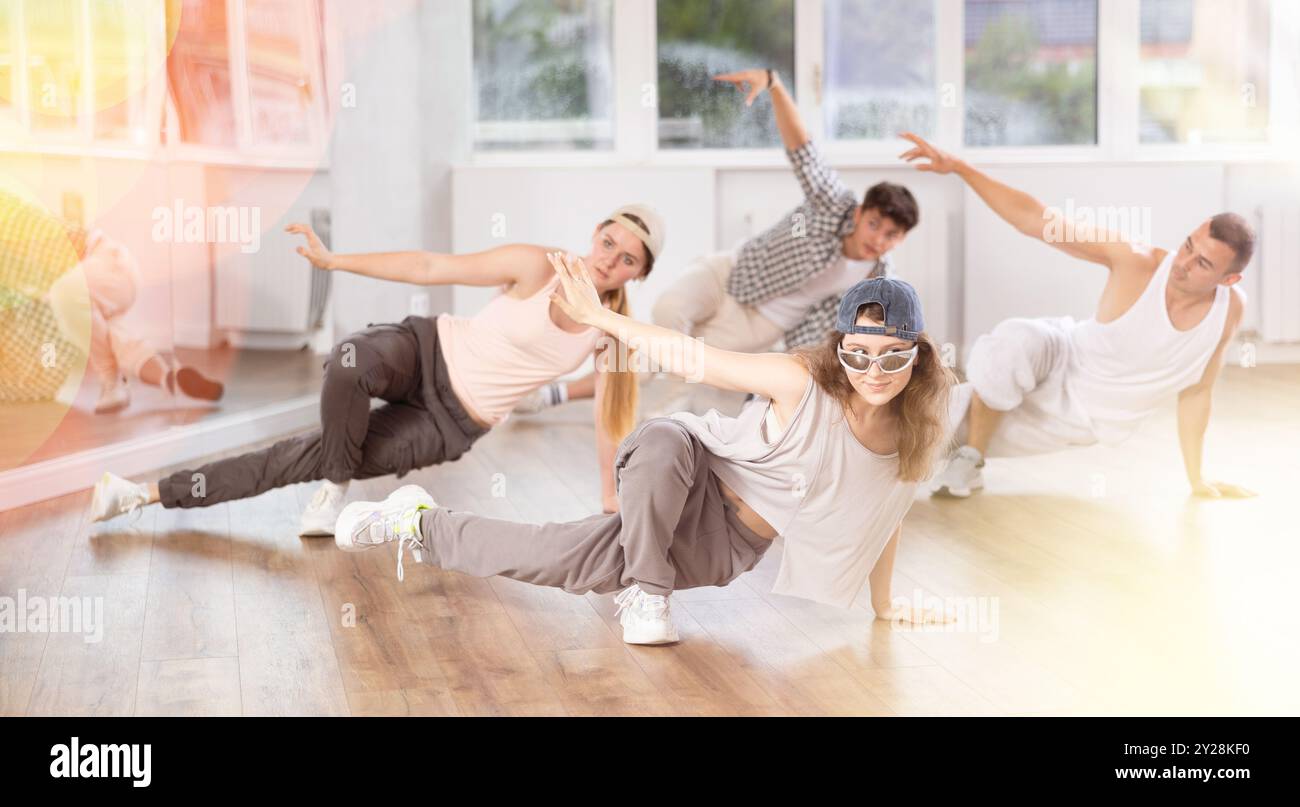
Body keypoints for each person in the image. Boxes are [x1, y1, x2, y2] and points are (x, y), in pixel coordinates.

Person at [331, 253, 955, 645]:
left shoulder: (913, 428)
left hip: (725, 547)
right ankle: (649, 594)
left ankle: (415, 522)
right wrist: (600, 321)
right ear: (840, 349)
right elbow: (688, 356)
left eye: (892, 355)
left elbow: (884, 514)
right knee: (662, 435)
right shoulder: (801, 379)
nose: (874, 371)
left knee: (551, 558)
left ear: (917, 355)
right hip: (688, 473)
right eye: (858, 353)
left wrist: (885, 605)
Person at [88, 205, 664, 530]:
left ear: (637, 274)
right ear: (594, 233)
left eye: (626, 258)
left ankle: (142, 496)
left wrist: (611, 501)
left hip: (451, 425)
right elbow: (430, 265)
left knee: (292, 459)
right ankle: (336, 482)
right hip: (426, 352)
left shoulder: (613, 333)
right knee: (346, 361)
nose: (608, 258)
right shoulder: (540, 265)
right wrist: (334, 260)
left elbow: (611, 418)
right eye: (607, 240)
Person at [514, 66, 919, 417]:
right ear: (861, 212)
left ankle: (570, 399)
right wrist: (775, 85)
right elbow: (803, 149)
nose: (877, 240)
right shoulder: (834, 203)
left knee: (681, 360)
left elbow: (884, 336)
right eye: (874, 225)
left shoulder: (880, 281)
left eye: (891, 236)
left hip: (760, 323)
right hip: (731, 273)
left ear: (901, 240)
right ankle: (645, 399)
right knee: (668, 311)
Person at [896, 133, 1255, 499]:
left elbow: (1197, 392)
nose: (1183, 264)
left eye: (1202, 264)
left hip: (1086, 416)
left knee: (923, 427)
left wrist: (1197, 479)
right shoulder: (1137, 261)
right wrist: (959, 167)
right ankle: (970, 460)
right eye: (1188, 246)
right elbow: (1034, 219)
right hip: (1063, 352)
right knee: (1015, 341)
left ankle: (939, 446)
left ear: (1229, 279)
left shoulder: (1230, 310)